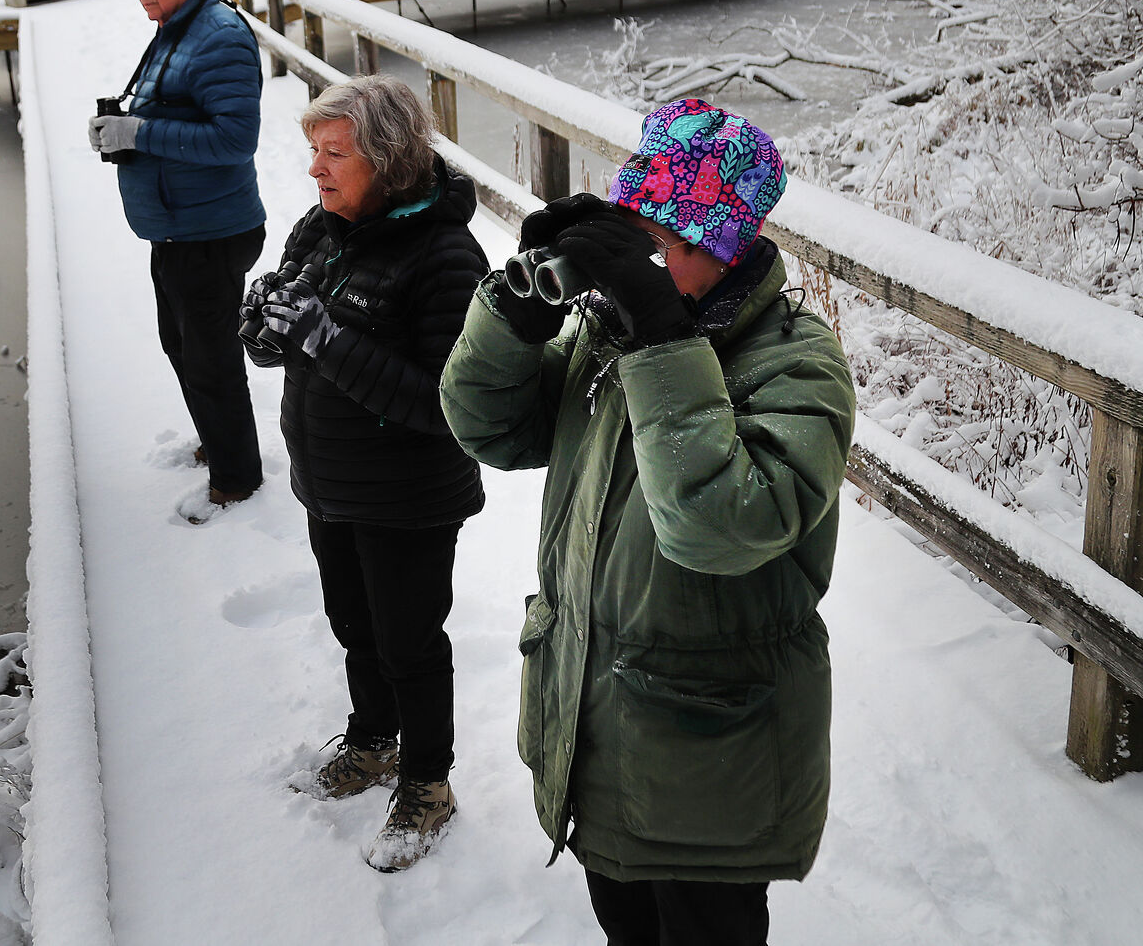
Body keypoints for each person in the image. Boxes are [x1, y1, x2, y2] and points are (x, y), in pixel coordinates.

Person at [440, 98, 855, 945]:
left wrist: (663, 341)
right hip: (598, 731)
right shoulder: (607, 330)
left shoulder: (796, 362)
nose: (655, 257)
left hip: (710, 767)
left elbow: (720, 525)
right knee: (623, 925)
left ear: (731, 243)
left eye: (678, 240)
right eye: (643, 232)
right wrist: (516, 309)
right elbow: (494, 427)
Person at [238, 75, 487, 872]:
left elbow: (448, 404)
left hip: (408, 497)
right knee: (354, 628)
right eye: (314, 150)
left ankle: (427, 784)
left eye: (334, 153)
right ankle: (375, 741)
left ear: (385, 159)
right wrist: (265, 330)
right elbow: (287, 341)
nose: (315, 169)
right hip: (330, 481)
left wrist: (325, 342)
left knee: (409, 642)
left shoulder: (447, 256)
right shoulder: (321, 227)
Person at [90, 0, 266, 522]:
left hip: (212, 231)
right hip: (176, 226)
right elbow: (175, 110)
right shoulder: (176, 27)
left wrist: (139, 132)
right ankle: (222, 445)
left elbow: (237, 138)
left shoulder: (219, 37)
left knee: (210, 358)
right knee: (180, 345)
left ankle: (237, 479)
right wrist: (123, 131)